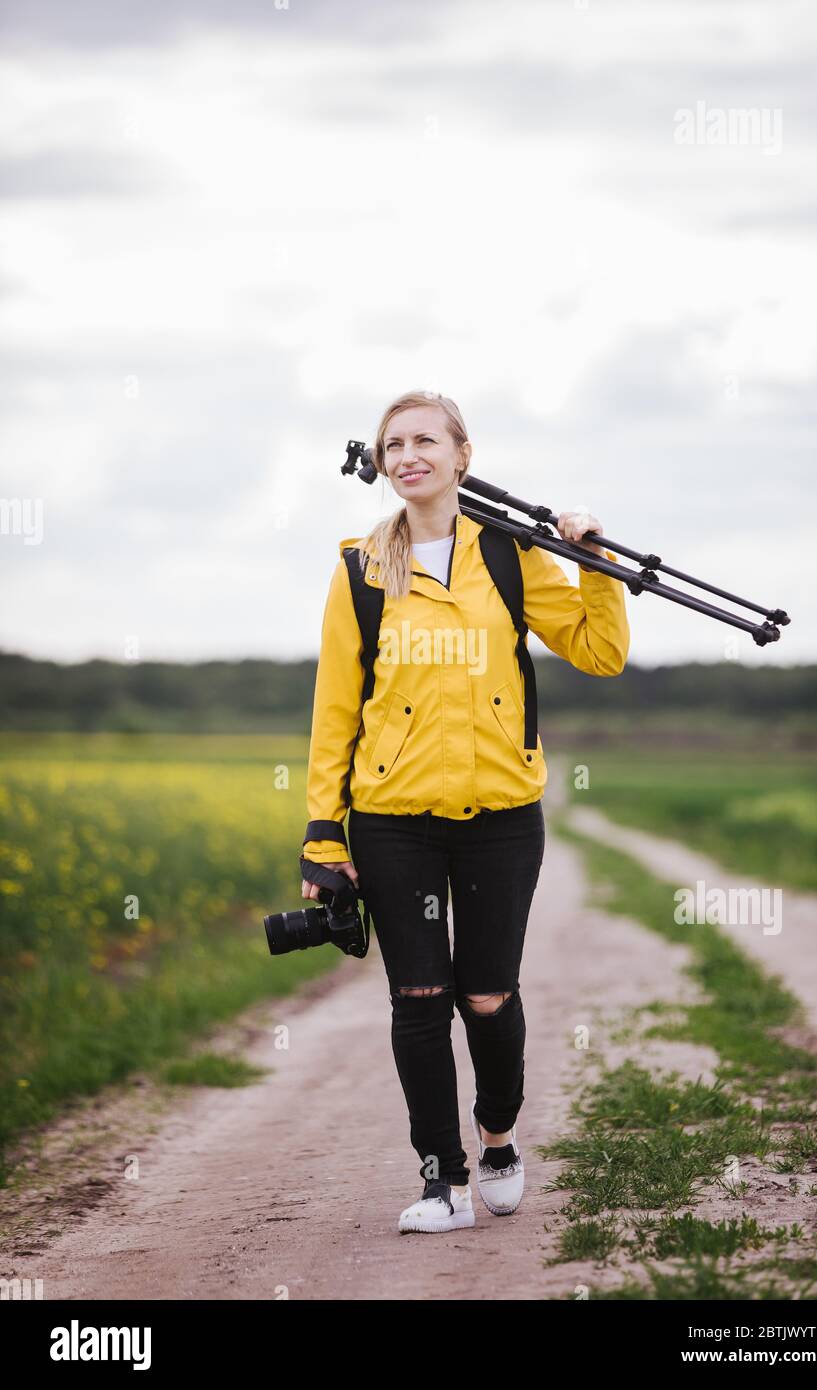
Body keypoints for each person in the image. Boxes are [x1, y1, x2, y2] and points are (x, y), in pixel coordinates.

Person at [300, 389, 629, 1234]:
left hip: (500, 818)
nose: (407, 455)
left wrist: (590, 560)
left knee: (486, 996)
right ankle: (440, 1182)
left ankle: (500, 1140)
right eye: (393, 444)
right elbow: (337, 708)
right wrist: (321, 833)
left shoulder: (513, 558)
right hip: (393, 819)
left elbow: (601, 653)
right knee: (418, 997)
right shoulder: (362, 568)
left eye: (424, 441)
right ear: (382, 464)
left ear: (461, 455)